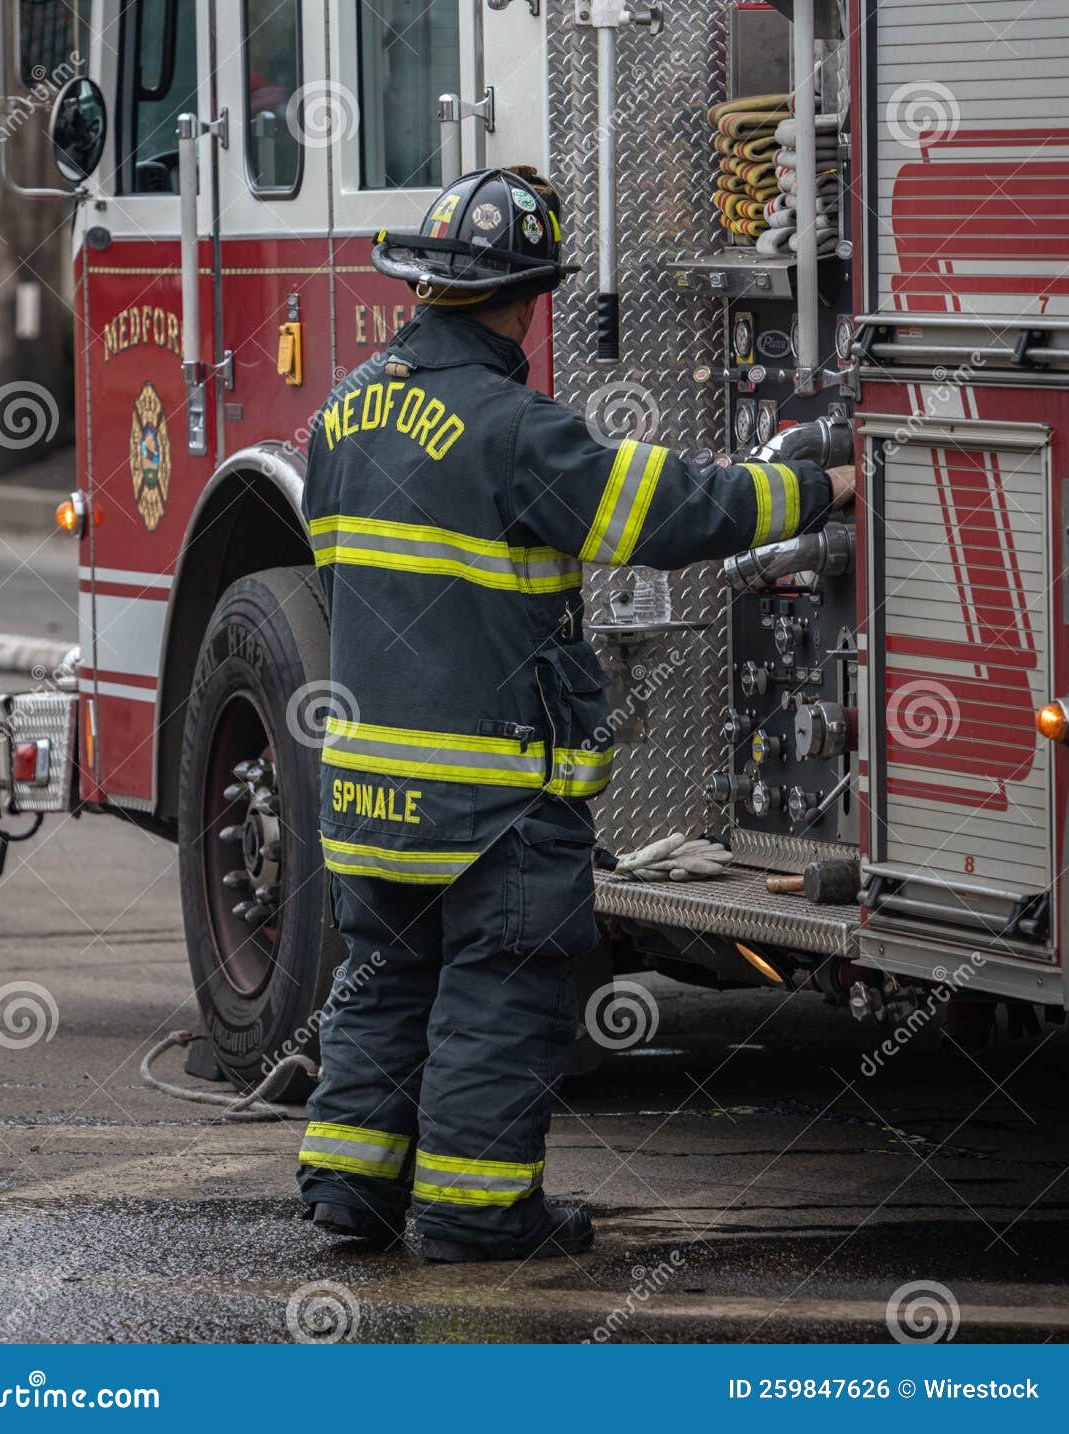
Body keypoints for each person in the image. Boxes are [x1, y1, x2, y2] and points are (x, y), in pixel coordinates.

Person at [296, 167, 854, 1262]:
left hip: (362, 789)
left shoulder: (338, 418)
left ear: (424, 285)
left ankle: (347, 1194)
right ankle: (474, 1211)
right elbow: (679, 515)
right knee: (498, 994)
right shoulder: (512, 429)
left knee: (382, 982)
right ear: (529, 297)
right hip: (491, 799)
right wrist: (817, 488)